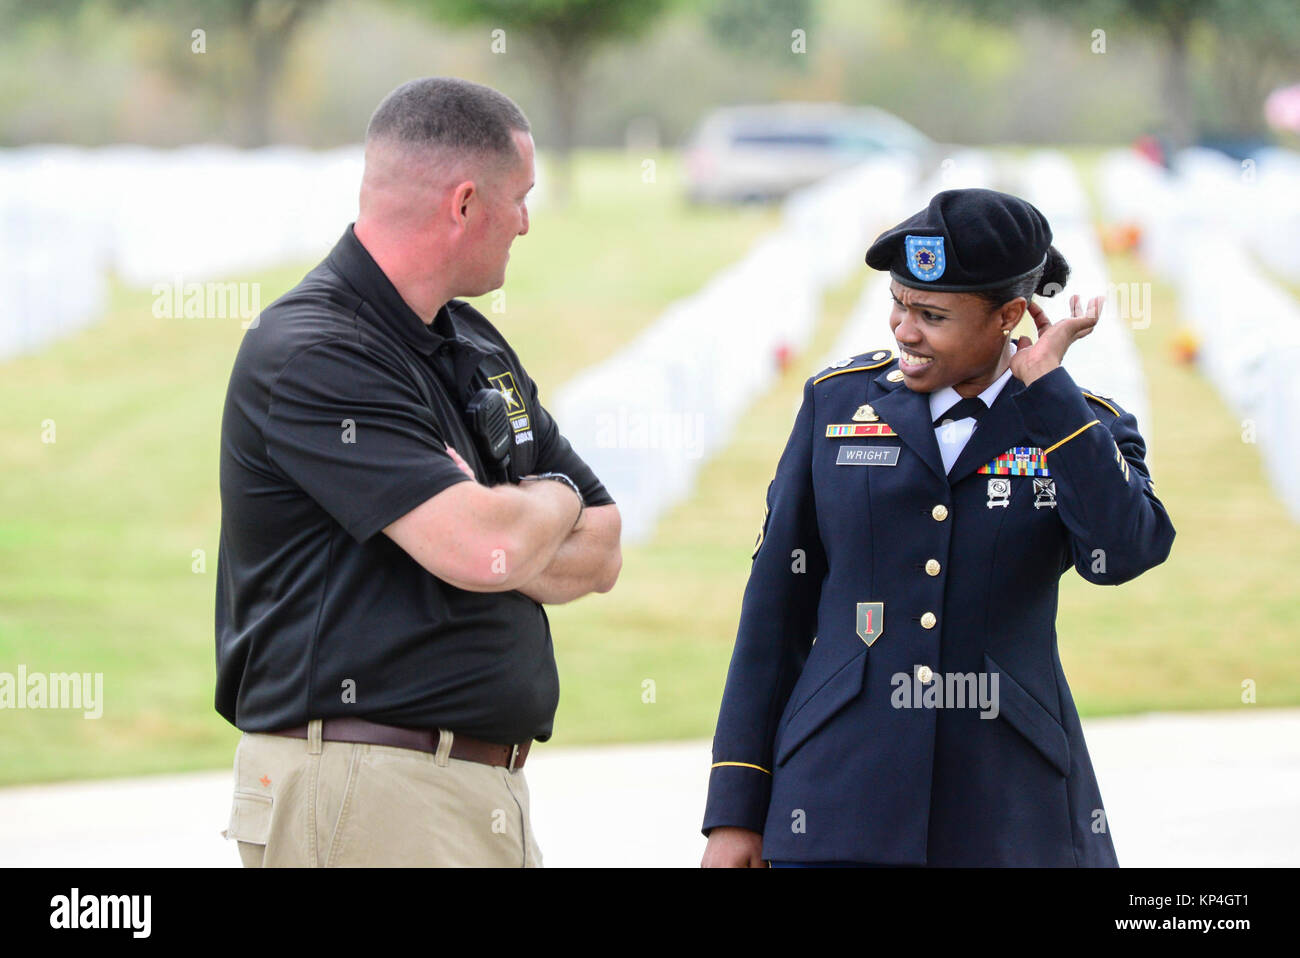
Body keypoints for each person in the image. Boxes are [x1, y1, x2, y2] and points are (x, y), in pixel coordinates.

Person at [700, 187, 1175, 867]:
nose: (904, 330)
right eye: (897, 304)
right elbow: (775, 608)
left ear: (1010, 315)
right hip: (836, 804)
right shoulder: (837, 404)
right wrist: (735, 811)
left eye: (931, 315)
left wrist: (1049, 395)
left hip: (1012, 809)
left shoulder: (1080, 423)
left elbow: (1126, 550)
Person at [215, 77, 622, 867]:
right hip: (368, 790)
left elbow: (602, 547)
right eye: (520, 197)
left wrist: (520, 510)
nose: (528, 223)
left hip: (462, 789)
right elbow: (478, 551)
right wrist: (543, 505)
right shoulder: (315, 352)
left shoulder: (470, 343)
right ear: (465, 203)